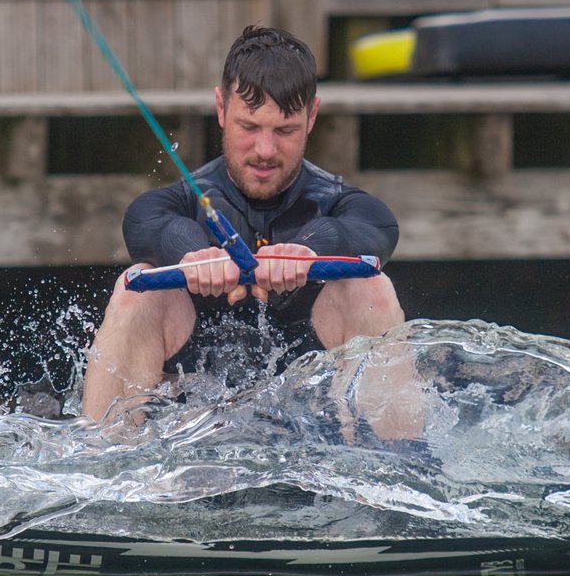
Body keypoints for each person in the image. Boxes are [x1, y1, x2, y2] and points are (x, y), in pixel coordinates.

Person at [80, 25, 407, 425]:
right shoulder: (176, 203)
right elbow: (146, 223)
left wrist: (305, 251)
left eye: (285, 130)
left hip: (315, 427)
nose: (265, 151)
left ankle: (391, 470)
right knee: (136, 287)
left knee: (372, 285)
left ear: (312, 117)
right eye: (249, 127)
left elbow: (377, 229)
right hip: (187, 418)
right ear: (221, 108)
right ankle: (106, 461)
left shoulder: (341, 204)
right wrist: (193, 257)